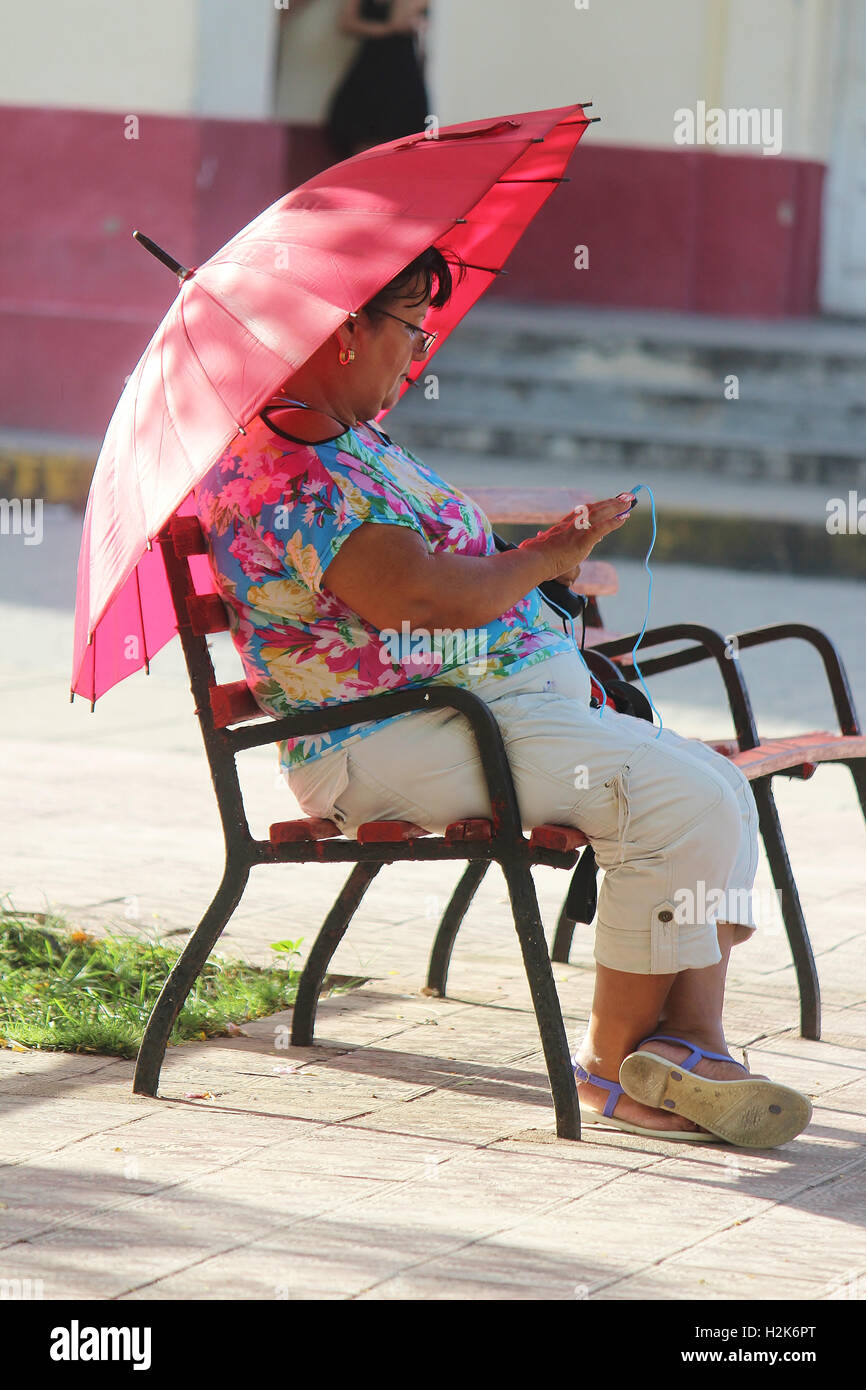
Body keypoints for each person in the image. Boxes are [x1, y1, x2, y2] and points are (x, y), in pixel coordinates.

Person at [192, 246, 812, 1148]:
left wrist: (537, 557)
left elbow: (446, 570)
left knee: (713, 787)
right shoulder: (286, 474)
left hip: (473, 714)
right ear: (344, 331)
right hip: (387, 741)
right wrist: (544, 560)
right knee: (666, 798)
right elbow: (419, 596)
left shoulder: (349, 441)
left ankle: (691, 1046)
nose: (418, 349)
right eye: (409, 324)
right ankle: (614, 1067)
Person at [326, 0, 430, 159]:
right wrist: (383, 29)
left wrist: (381, 28)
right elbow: (345, 23)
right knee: (361, 131)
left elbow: (399, 21)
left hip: (402, 68)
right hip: (370, 66)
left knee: (400, 135)